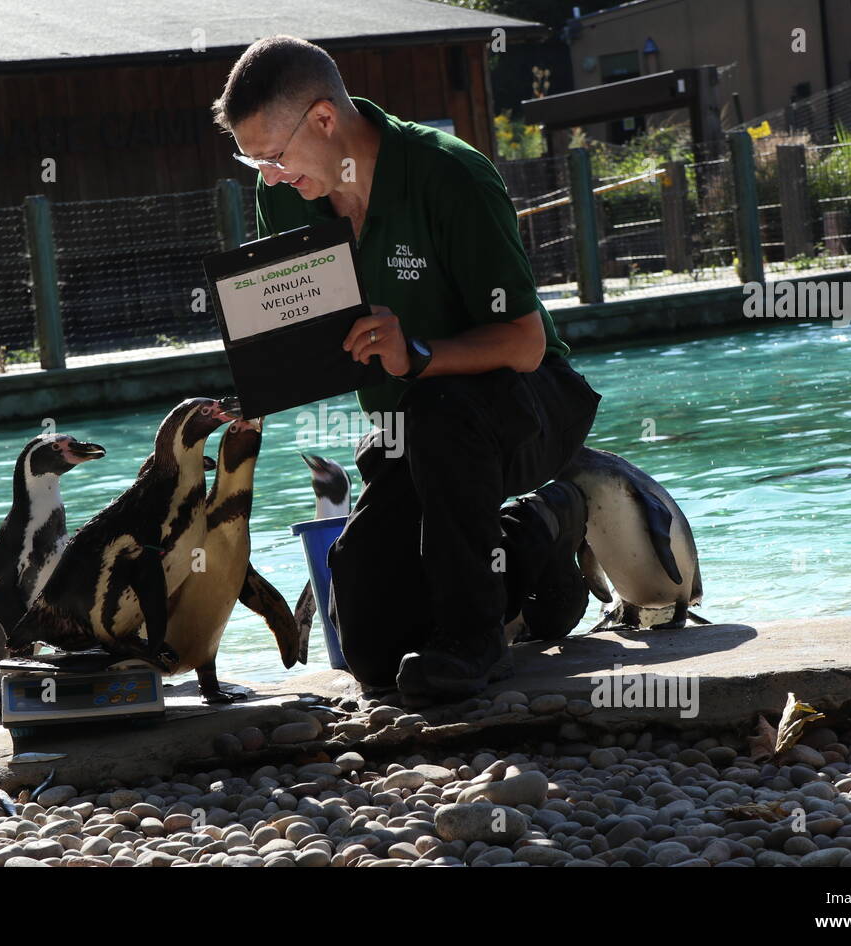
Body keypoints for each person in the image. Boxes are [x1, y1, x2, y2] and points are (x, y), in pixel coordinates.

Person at [212, 36, 603, 703]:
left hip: (531, 404)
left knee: (438, 408)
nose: (269, 175)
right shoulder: (280, 194)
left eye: (274, 155)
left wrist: (416, 353)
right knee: (372, 647)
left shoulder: (450, 174)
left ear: (326, 119)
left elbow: (527, 343)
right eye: (254, 158)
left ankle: (476, 640)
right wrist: (260, 384)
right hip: (408, 434)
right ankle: (538, 533)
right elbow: (304, 334)